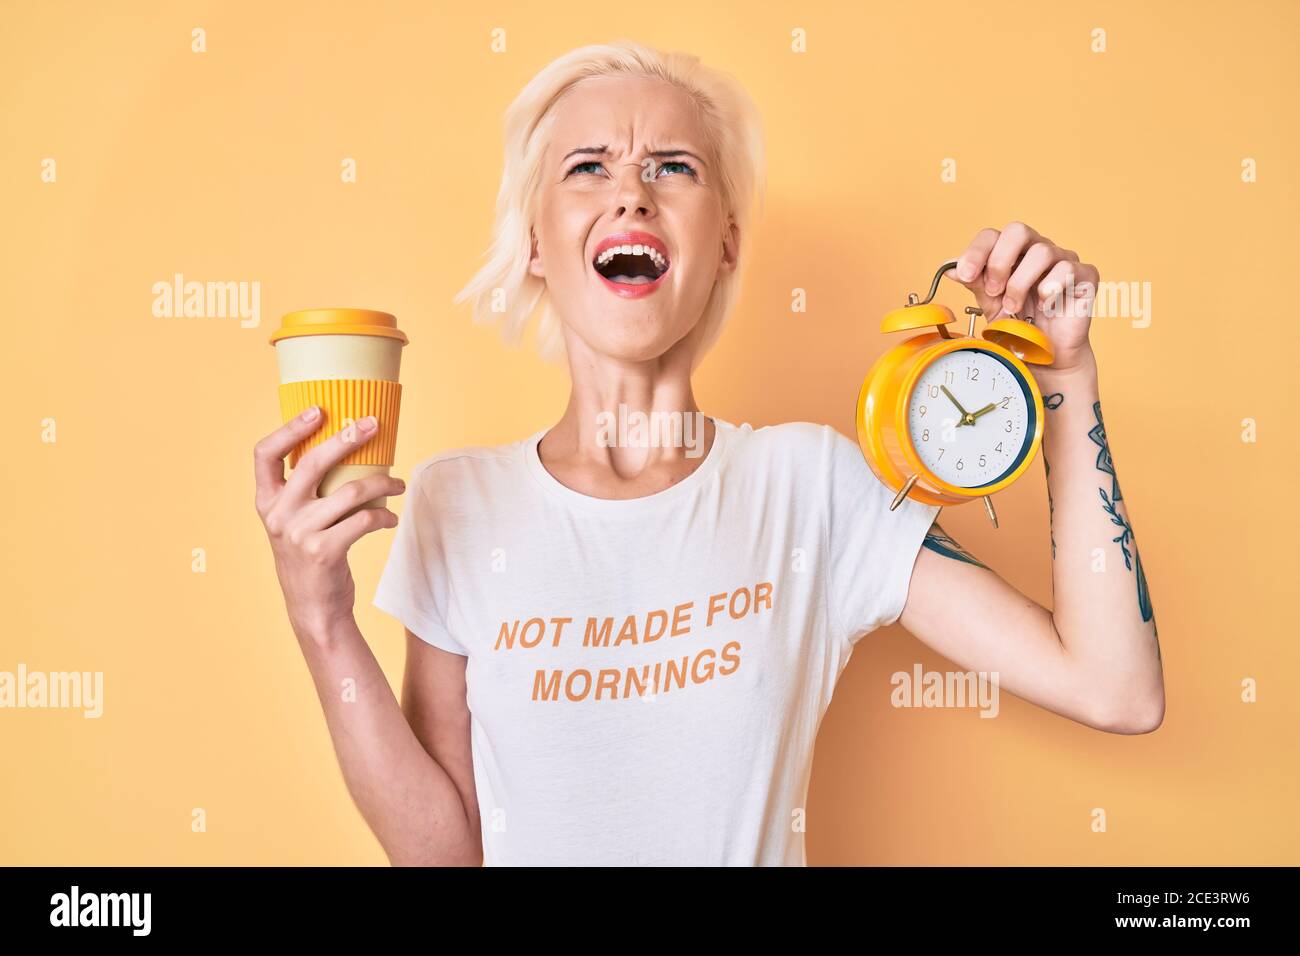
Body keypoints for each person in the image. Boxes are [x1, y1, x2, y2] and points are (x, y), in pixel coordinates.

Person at [253, 40, 1164, 867]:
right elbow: (444, 858)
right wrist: (321, 615)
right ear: (535, 242)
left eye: (672, 166)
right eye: (588, 166)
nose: (630, 190)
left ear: (725, 241)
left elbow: (1115, 688)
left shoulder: (810, 486)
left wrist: (1066, 375)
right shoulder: (460, 502)